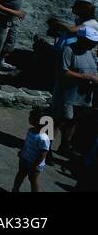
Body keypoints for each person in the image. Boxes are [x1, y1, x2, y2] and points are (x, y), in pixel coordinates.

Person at [52, 29, 98, 157]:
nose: (93, 45)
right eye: (90, 42)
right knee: (56, 121)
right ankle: (45, 146)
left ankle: (65, 145)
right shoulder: (68, 50)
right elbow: (63, 72)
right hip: (66, 94)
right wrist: (88, 77)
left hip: (83, 96)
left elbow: (93, 70)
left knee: (73, 122)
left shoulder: (91, 53)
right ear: (81, 39)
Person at [12, 109, 50, 193]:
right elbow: (27, 143)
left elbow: (43, 154)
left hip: (34, 163)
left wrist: (35, 165)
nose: (29, 118)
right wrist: (22, 152)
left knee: (32, 179)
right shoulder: (31, 130)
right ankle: (15, 189)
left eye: (31, 117)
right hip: (24, 157)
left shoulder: (43, 138)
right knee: (20, 174)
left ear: (38, 121)